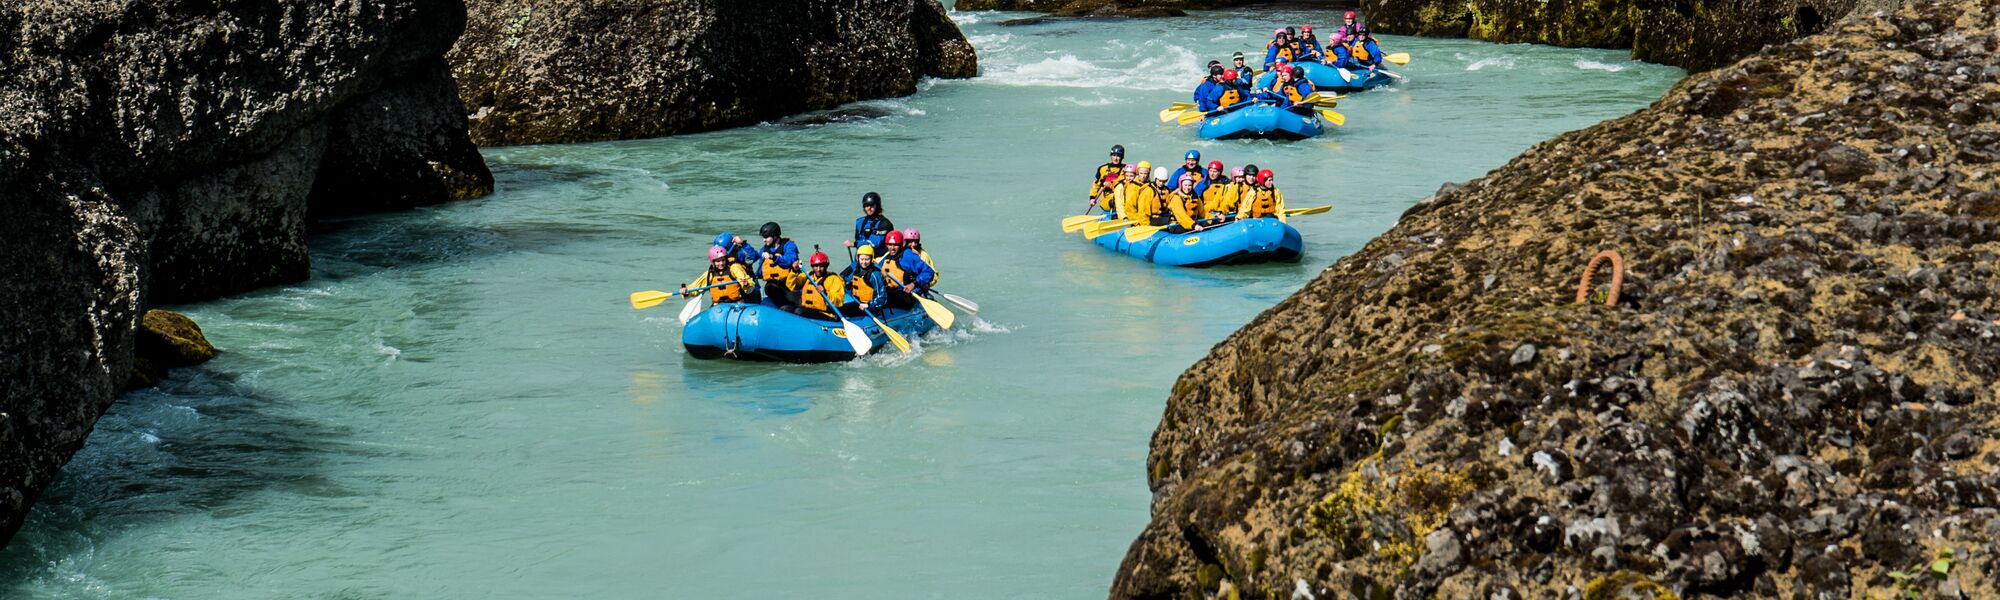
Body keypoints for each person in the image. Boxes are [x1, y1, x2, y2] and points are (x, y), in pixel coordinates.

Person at [877, 230, 935, 309]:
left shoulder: (908, 256)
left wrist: (913, 284)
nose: (892, 248)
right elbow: (877, 268)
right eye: (890, 245)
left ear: (901, 245)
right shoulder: (888, 256)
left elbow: (929, 272)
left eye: (895, 245)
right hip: (891, 291)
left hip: (906, 295)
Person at [683, 246, 757, 304]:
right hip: (718, 306)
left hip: (737, 303)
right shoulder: (710, 274)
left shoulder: (734, 268)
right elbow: (696, 287)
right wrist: (686, 292)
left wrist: (746, 284)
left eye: (723, 260)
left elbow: (749, 288)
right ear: (713, 262)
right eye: (718, 261)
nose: (721, 263)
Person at [757, 222, 801, 310]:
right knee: (770, 287)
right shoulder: (764, 249)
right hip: (773, 286)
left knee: (794, 299)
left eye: (766, 237)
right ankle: (782, 309)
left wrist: (773, 257)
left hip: (789, 285)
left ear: (775, 236)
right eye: (763, 237)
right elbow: (760, 270)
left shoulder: (789, 246)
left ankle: (790, 309)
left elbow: (790, 261)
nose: (764, 240)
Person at [792, 250, 846, 321]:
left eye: (821, 266)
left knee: (799, 312)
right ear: (812, 266)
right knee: (785, 308)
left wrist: (825, 293)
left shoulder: (833, 279)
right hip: (808, 309)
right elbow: (791, 286)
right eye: (816, 266)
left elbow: (839, 301)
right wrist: (794, 271)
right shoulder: (808, 275)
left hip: (825, 314)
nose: (818, 269)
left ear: (826, 266)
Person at [840, 245, 890, 316]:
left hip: (870, 308)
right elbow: (845, 280)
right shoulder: (856, 270)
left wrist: (868, 305)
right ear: (858, 258)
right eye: (862, 259)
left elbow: (882, 298)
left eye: (867, 259)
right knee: (839, 308)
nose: (864, 262)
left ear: (871, 259)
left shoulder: (875, 275)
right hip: (858, 302)